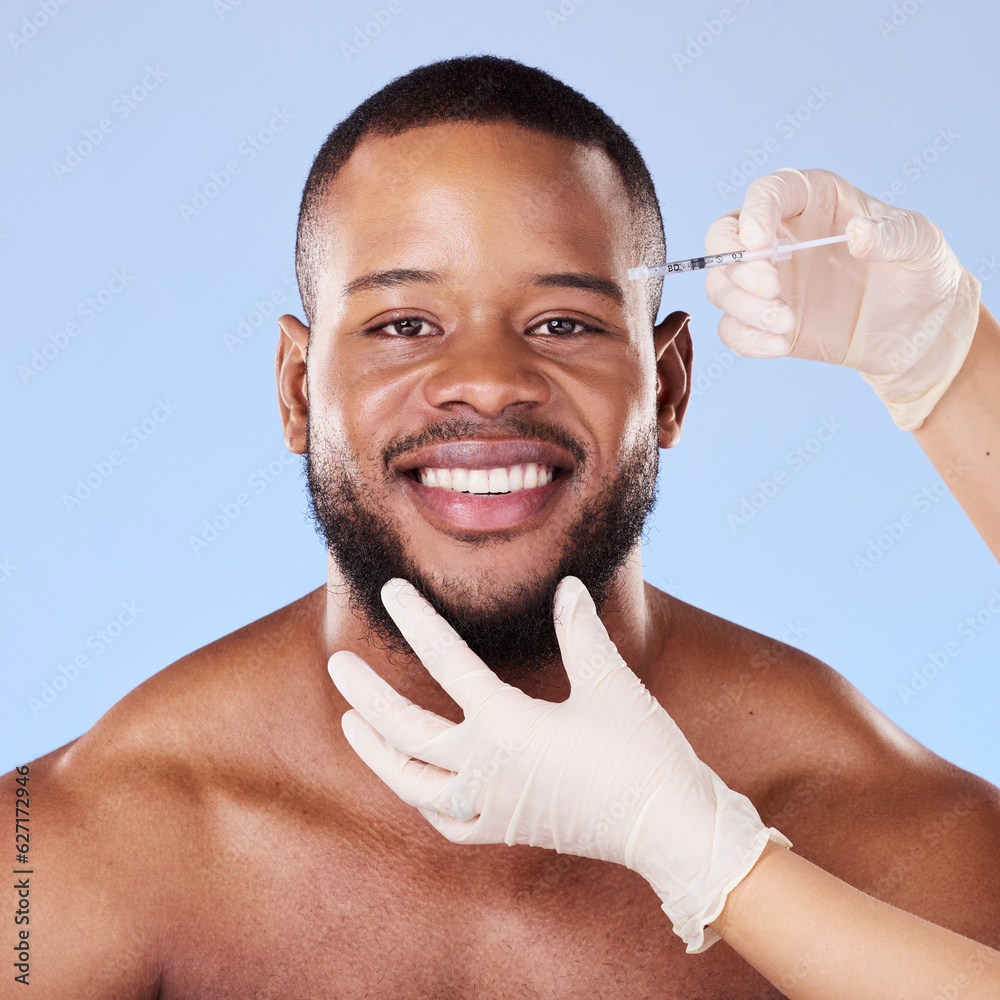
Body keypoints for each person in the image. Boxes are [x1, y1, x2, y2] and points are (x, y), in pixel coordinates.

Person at [5, 55, 999, 999]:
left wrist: (952, 360)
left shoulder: (904, 845)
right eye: (404, 324)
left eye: (563, 323)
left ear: (668, 386)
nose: (485, 381)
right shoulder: (67, 853)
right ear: (298, 391)